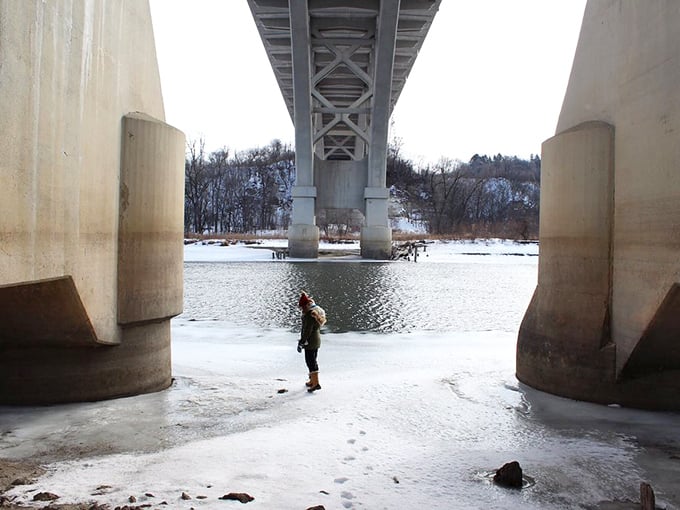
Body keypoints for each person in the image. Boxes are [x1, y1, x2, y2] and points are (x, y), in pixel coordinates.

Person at [297, 291, 326, 392]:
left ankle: (316, 383)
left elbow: (307, 330)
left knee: (310, 362)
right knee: (313, 360)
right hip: (316, 340)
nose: (300, 309)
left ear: (305, 306)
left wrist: (302, 341)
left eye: (301, 307)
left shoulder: (309, 315)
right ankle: (312, 380)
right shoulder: (315, 311)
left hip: (310, 342)